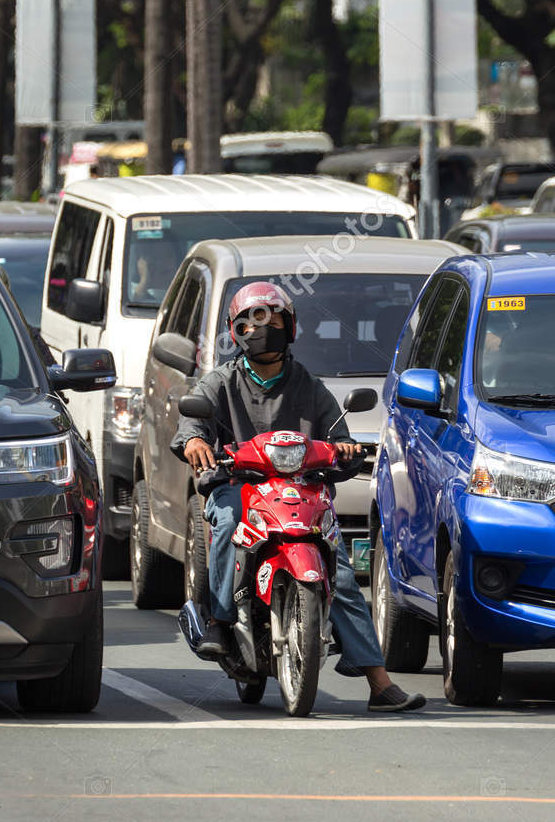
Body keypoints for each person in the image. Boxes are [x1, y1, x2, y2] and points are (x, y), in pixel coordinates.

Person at [171, 282, 427, 713]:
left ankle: (379, 682)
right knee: (227, 523)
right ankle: (217, 620)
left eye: (271, 318)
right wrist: (197, 442)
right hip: (238, 489)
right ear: (235, 332)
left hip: (300, 496)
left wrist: (345, 450)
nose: (260, 328)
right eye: (249, 321)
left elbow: (340, 440)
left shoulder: (309, 386)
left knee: (341, 573)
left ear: (289, 326)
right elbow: (191, 427)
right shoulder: (222, 381)